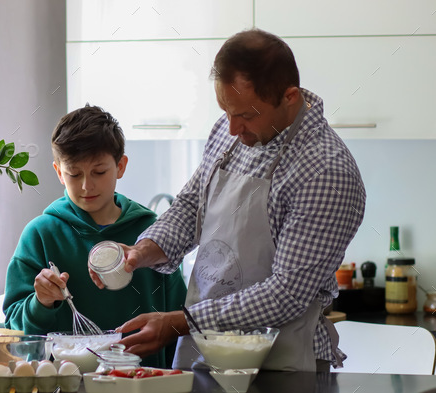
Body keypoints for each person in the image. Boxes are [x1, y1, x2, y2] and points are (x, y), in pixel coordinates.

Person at [90, 29, 366, 372]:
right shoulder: (230, 130)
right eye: (225, 110)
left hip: (280, 365)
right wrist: (141, 251)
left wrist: (179, 322)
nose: (232, 127)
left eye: (247, 116)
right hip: (204, 349)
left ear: (290, 97)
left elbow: (287, 294)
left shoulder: (326, 171)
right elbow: (192, 207)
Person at [2, 104, 187, 368]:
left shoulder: (151, 234)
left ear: (120, 166)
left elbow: (179, 322)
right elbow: (15, 335)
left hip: (142, 383)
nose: (87, 186)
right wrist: (40, 302)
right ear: (58, 172)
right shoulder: (40, 235)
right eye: (74, 174)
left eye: (99, 172)